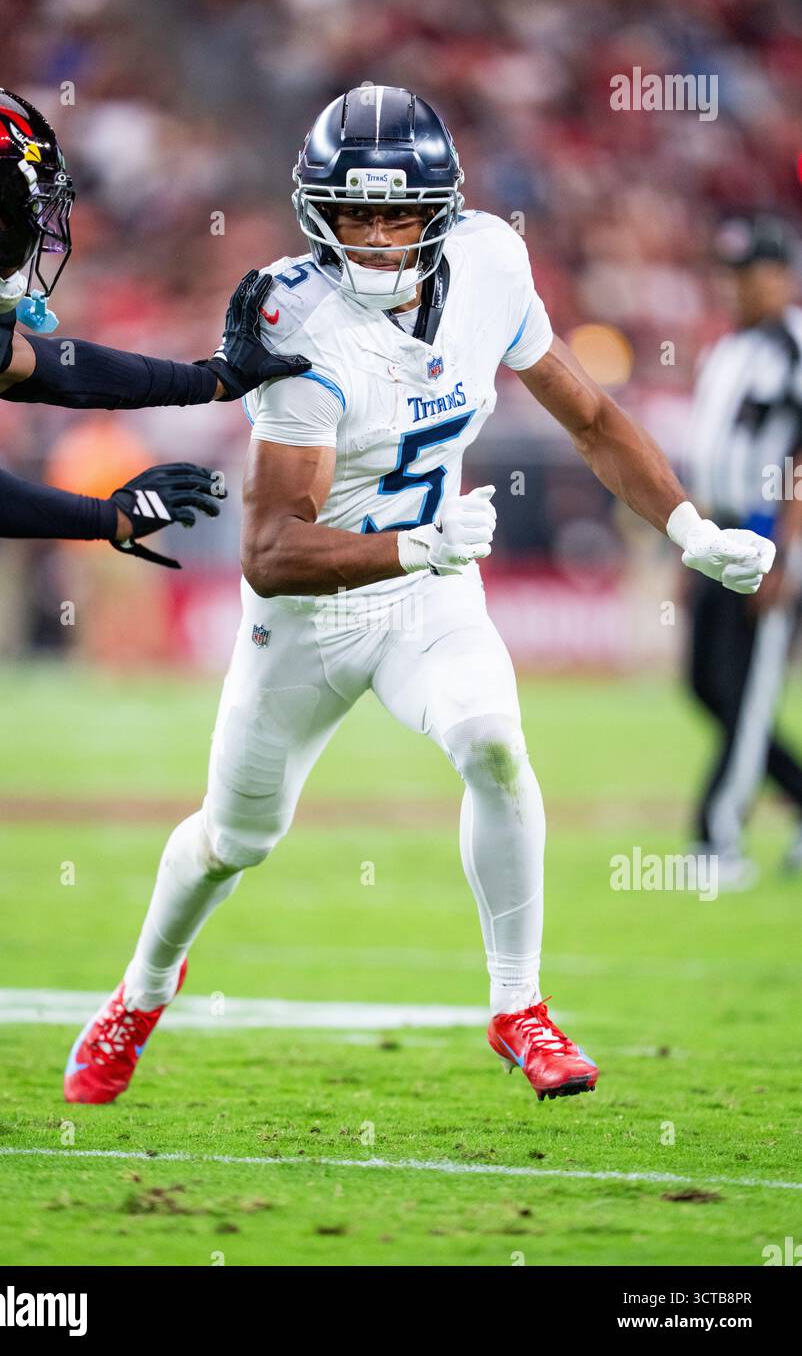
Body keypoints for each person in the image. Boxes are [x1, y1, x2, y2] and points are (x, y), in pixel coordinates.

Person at [65, 86, 775, 1107]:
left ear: (440, 211)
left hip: (428, 595)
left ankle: (516, 1004)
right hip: (311, 618)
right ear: (318, 211)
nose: (377, 237)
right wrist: (415, 543)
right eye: (354, 213)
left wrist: (688, 527)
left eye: (398, 213)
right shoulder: (295, 323)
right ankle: (138, 992)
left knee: (490, 739)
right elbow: (269, 550)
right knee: (234, 839)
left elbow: (587, 413)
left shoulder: (489, 262)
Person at [0, 83, 308, 899]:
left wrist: (212, 381)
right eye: (15, 202)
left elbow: (60, 369)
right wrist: (107, 515)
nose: (34, 226)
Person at [684, 214, 802, 888]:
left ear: (780, 275)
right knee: (707, 685)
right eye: (728, 273)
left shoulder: (792, 346)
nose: (734, 286)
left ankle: (717, 839)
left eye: (748, 272)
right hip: (717, 533)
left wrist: (786, 550)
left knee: (749, 692)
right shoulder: (726, 350)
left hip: (764, 541)